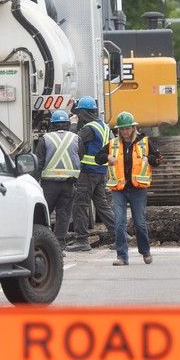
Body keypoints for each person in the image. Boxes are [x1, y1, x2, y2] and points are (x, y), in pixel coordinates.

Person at [101, 111, 161, 265]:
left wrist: (150, 159)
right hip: (119, 189)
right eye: (122, 129)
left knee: (139, 222)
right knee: (119, 222)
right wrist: (107, 157)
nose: (125, 131)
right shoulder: (113, 144)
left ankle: (145, 251)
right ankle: (122, 256)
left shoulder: (145, 142)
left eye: (128, 128)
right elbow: (97, 157)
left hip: (138, 189)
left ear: (134, 128)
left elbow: (158, 159)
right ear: (119, 130)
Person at [68, 96, 115, 252]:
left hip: (88, 172)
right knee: (102, 205)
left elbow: (73, 141)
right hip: (101, 172)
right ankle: (120, 235)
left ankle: (82, 240)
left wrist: (73, 125)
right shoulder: (104, 126)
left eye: (80, 113)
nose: (79, 116)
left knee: (80, 205)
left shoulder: (88, 129)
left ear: (85, 112)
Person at [34, 109, 80, 245]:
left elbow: (39, 162)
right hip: (69, 183)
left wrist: (34, 180)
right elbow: (80, 156)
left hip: (49, 184)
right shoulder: (75, 138)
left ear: (52, 124)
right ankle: (59, 245)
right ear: (67, 124)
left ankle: (43, 243)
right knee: (64, 214)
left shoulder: (45, 139)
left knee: (44, 213)